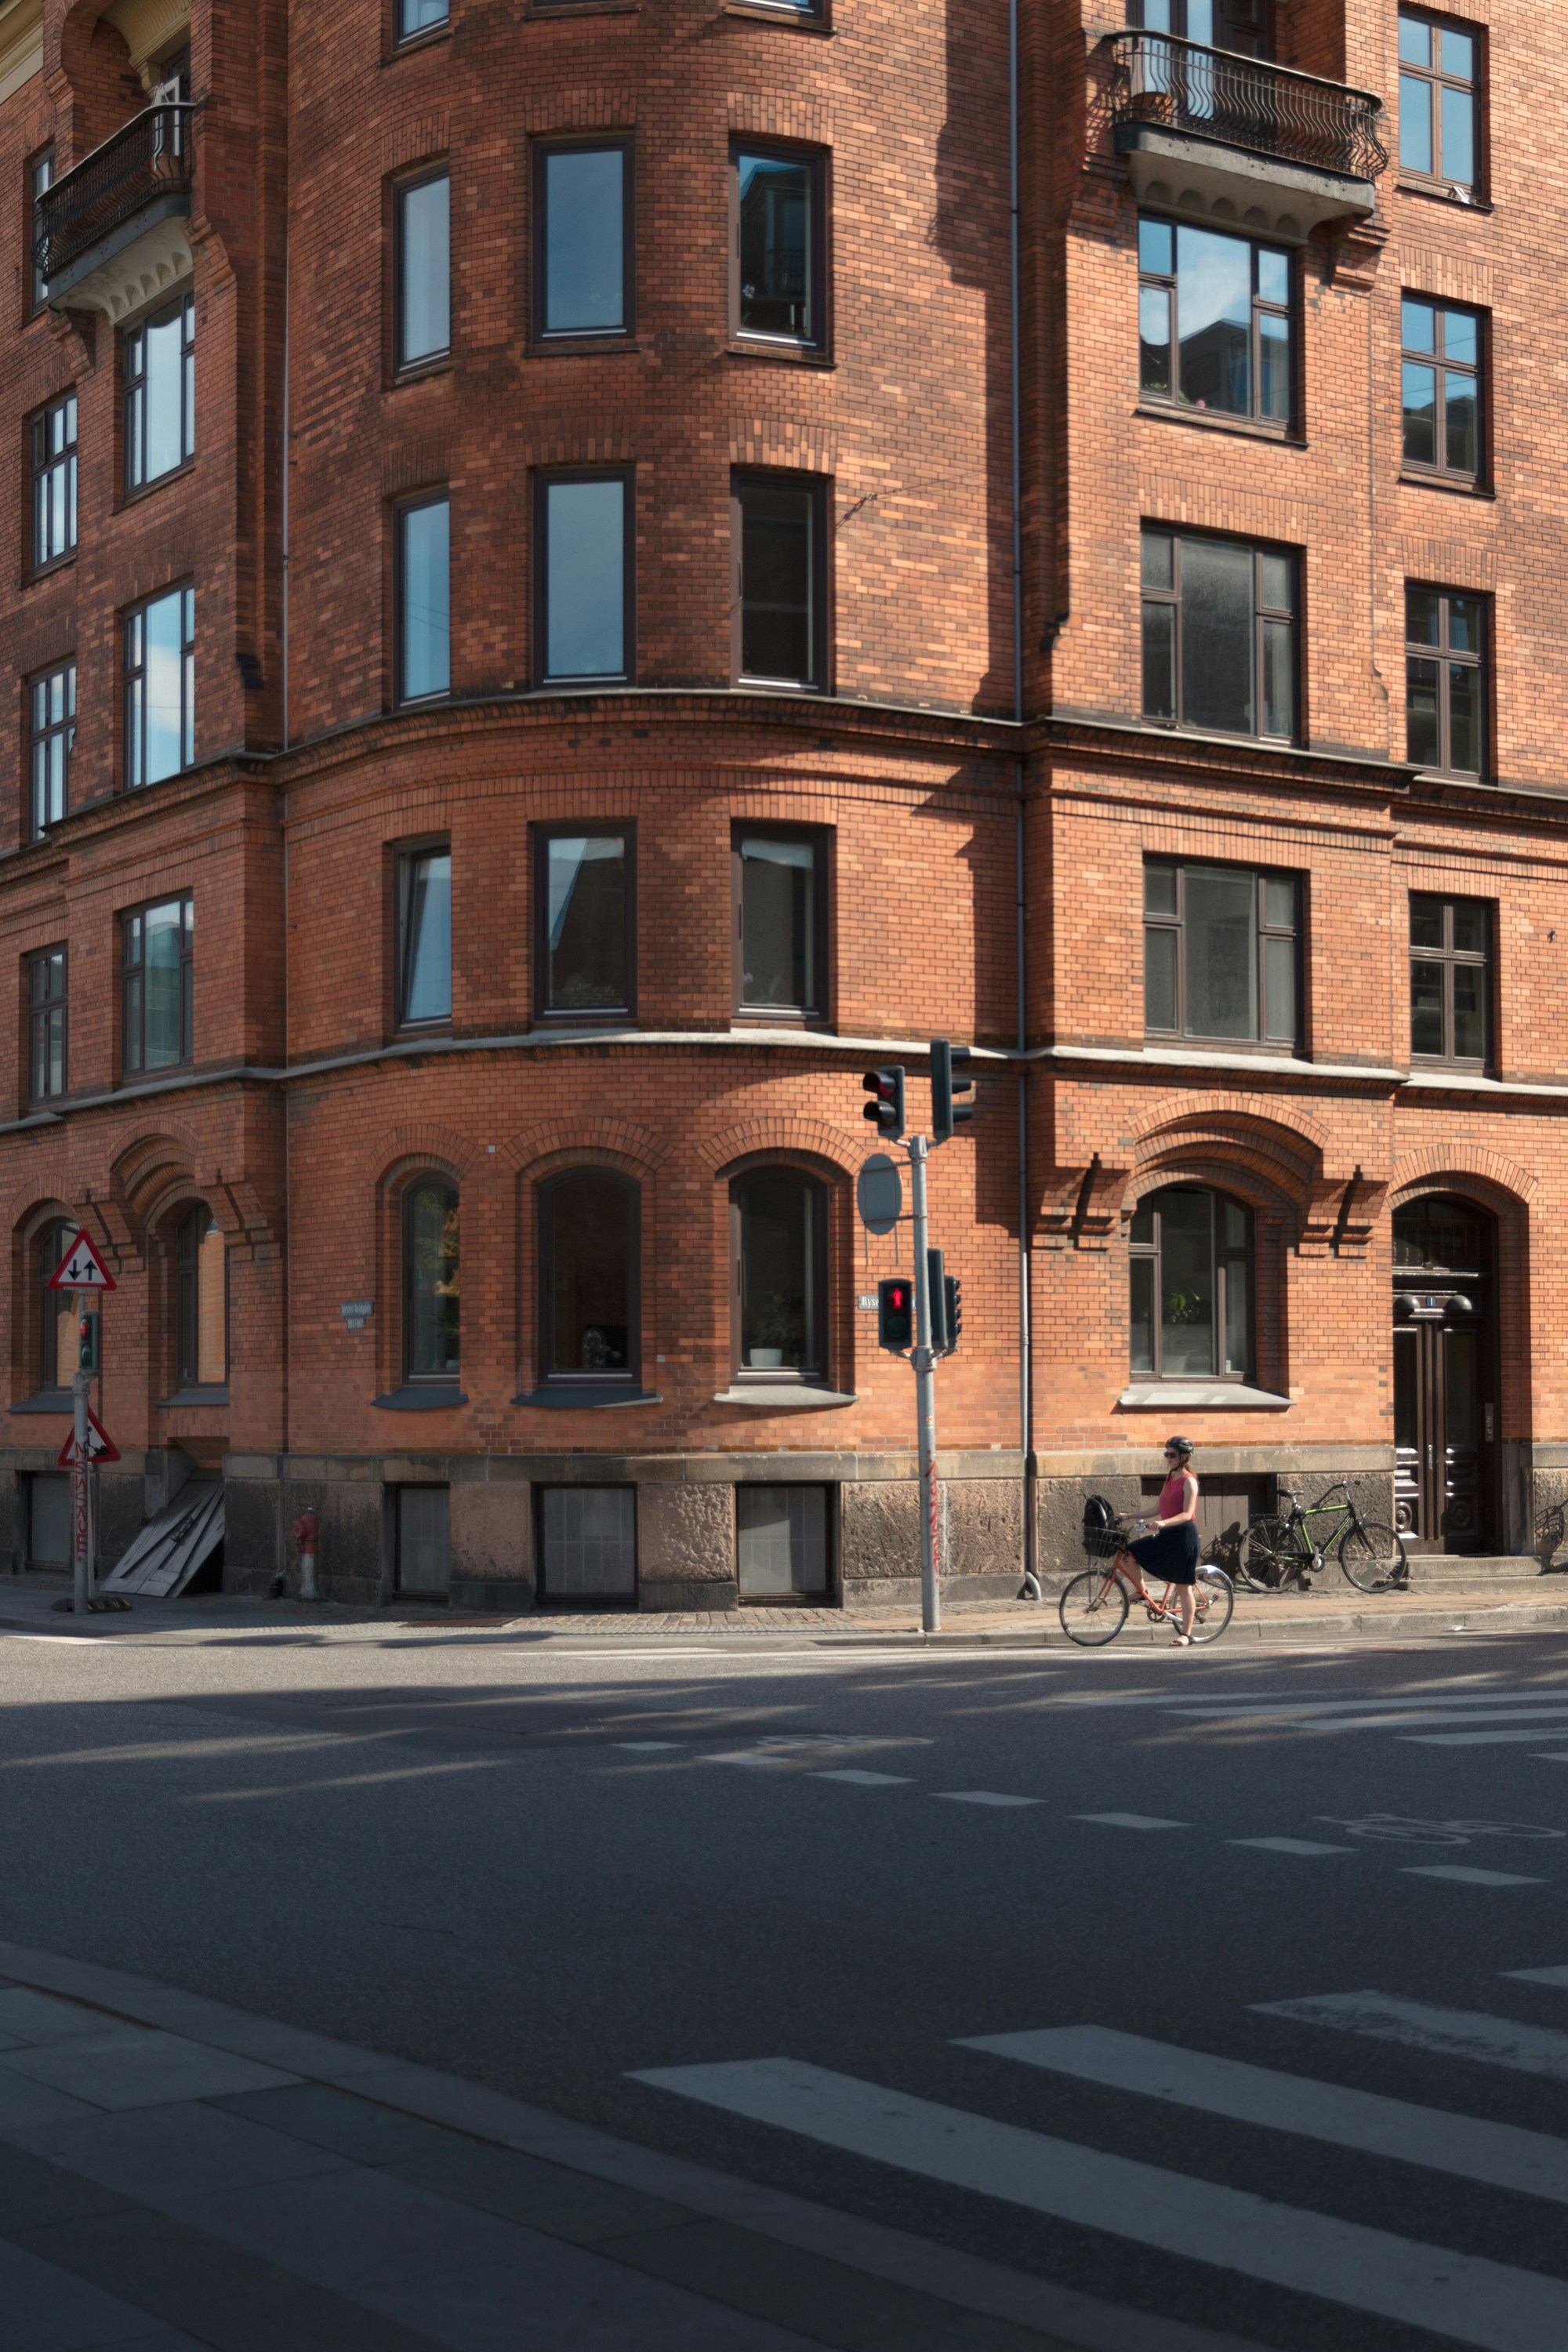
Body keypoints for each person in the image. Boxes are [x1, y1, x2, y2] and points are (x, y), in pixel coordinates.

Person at [1121, 1436, 1201, 1644]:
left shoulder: (1189, 1481)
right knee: (1128, 1553)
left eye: (1172, 1455)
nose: (1169, 1458)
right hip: (1166, 1536)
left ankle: (1186, 1635)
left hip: (1183, 1537)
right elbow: (1157, 1508)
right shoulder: (1170, 1478)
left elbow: (1187, 1514)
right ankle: (1141, 1591)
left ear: (1183, 1456)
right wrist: (1129, 1515)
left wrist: (1163, 1523)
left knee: (1183, 1587)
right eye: (1166, 1454)